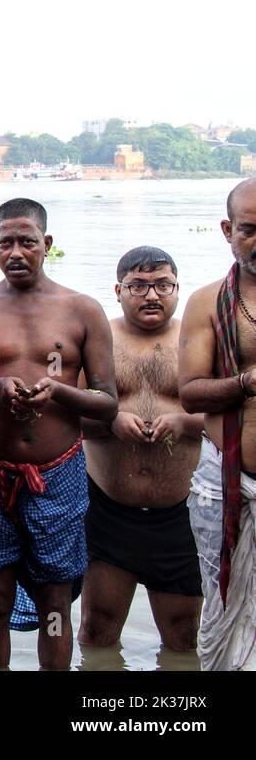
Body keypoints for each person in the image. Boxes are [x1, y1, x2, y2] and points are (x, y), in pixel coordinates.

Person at [0, 197, 117, 670]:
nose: (17, 252)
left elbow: (107, 404)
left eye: (28, 242)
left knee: (55, 603)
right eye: (7, 243)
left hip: (58, 471)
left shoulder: (81, 309)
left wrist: (60, 393)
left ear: (48, 244)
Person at [79, 246, 203, 653]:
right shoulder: (100, 340)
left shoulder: (197, 341)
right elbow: (64, 417)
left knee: (183, 639)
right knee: (97, 632)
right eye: (138, 286)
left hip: (182, 513)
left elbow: (235, 417)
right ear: (117, 290)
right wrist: (108, 421)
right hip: (108, 509)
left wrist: (187, 423)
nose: (152, 295)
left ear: (177, 288)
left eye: (162, 285)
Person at [178, 177, 256, 670]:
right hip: (222, 481)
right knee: (224, 605)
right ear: (228, 230)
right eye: (250, 229)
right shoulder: (208, 302)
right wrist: (248, 383)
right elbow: (190, 393)